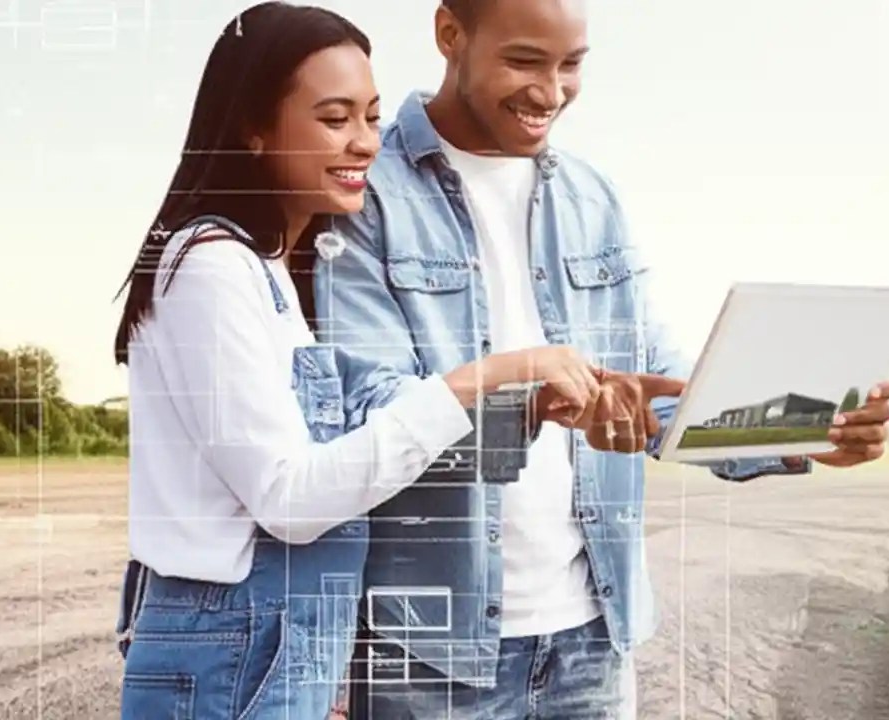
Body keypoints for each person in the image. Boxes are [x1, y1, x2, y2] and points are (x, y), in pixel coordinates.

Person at [313, 1, 889, 717]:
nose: (551, 92)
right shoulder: (360, 194)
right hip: (430, 651)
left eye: (571, 65)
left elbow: (656, 386)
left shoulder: (595, 199)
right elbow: (367, 417)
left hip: (591, 639)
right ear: (450, 33)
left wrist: (804, 431)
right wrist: (528, 404)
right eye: (524, 61)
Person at [108, 3, 615, 718]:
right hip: (229, 647)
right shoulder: (211, 268)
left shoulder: (273, 268)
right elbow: (290, 500)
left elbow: (343, 462)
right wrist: (487, 375)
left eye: (373, 118)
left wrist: (330, 659)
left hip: (273, 646)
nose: (365, 145)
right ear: (254, 129)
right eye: (334, 118)